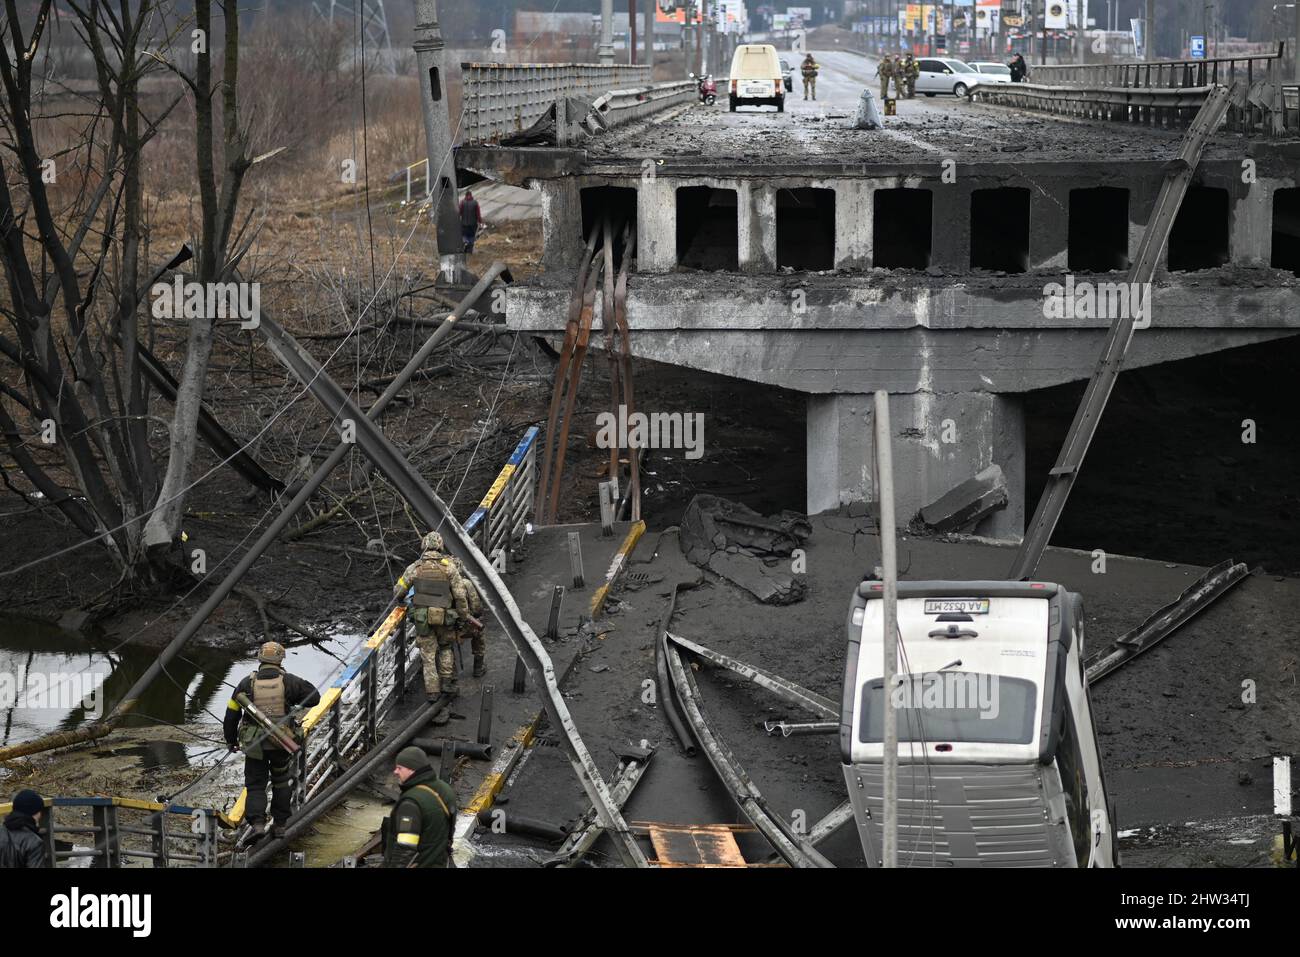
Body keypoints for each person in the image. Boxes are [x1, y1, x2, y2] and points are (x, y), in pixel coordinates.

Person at [224, 642, 321, 838]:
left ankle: (258, 824)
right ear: (280, 659)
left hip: (255, 746)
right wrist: (292, 702)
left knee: (256, 784)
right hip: (282, 743)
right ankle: (280, 825)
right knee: (280, 781)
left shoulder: (244, 684)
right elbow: (315, 698)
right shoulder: (290, 682)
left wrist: (231, 741)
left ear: (260, 659)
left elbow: (231, 716)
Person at [394, 531, 484, 721]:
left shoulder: (414, 568)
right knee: (445, 649)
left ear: (424, 546)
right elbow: (460, 596)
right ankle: (447, 686)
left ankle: (432, 694)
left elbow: (399, 590)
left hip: (422, 619)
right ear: (441, 546)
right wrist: (462, 617)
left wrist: (402, 599)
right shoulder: (450, 568)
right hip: (445, 619)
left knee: (428, 657)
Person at [382, 746, 457, 868]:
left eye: (400, 768)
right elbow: (449, 831)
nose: (395, 772)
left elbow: (405, 849)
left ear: (412, 770)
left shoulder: (411, 803)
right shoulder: (445, 790)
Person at [1, 789, 46, 868]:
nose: (40, 815)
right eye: (39, 811)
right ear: (34, 812)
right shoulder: (34, 842)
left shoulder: (2, 831)